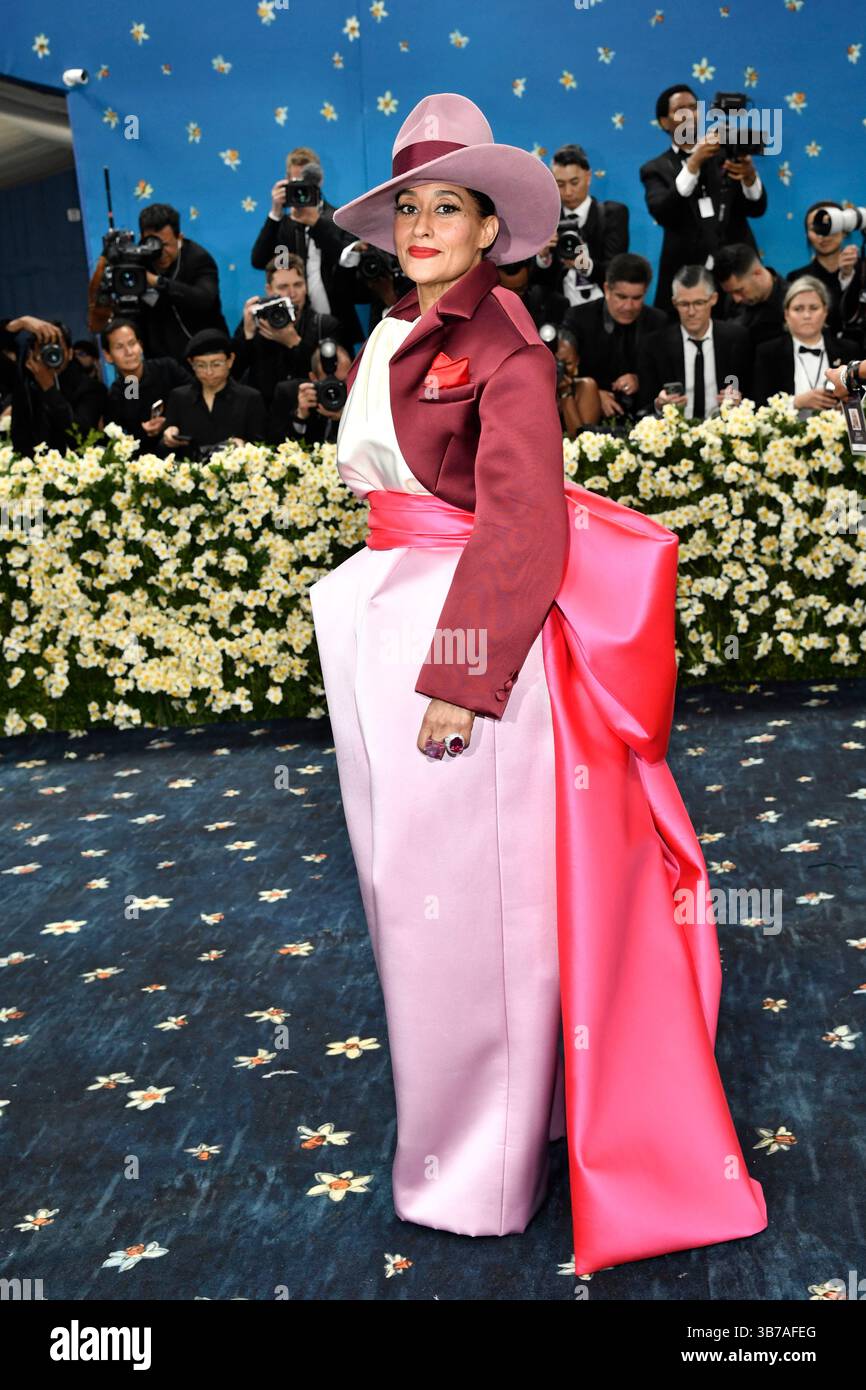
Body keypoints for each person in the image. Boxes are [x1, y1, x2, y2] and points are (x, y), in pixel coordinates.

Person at [308, 91, 767, 1272]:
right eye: (406, 203)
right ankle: (481, 1133)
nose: (419, 224)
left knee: (465, 924)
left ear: (486, 227)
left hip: (462, 646)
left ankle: (481, 1171)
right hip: (384, 616)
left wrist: (464, 675)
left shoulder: (502, 339)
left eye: (443, 206)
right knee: (404, 900)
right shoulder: (392, 331)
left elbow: (520, 521)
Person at [640, 85, 767, 317]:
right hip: (689, 280)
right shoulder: (655, 169)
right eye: (680, 109)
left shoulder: (727, 154)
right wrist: (693, 164)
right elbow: (663, 212)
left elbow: (757, 208)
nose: (689, 113)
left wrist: (749, 177)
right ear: (664, 122)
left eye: (693, 107)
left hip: (737, 278)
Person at [250, 147, 363, 353]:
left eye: (306, 182)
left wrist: (316, 223)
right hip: (292, 325)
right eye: (296, 182)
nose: (301, 188)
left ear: (318, 181)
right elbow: (259, 261)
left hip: (335, 324)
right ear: (286, 181)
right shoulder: (283, 225)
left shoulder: (339, 218)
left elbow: (350, 260)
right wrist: (276, 213)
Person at [563, 252, 667, 421]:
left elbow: (667, 374)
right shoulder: (578, 318)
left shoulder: (658, 322)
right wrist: (593, 395)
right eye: (622, 297)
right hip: (588, 422)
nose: (628, 306)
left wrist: (640, 379)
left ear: (646, 292)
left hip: (644, 423)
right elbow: (563, 376)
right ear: (606, 289)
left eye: (637, 298)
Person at [638, 264, 752, 417]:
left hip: (725, 433)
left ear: (713, 299)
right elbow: (643, 405)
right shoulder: (654, 345)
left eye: (699, 303)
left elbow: (754, 394)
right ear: (674, 303)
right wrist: (659, 405)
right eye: (684, 304)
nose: (691, 312)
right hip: (674, 434)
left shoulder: (738, 339)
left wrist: (739, 403)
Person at [231, 254, 340, 407]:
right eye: (283, 287)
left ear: (306, 286)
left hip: (310, 414)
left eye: (298, 285)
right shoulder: (256, 321)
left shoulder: (324, 325)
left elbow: (332, 378)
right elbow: (233, 373)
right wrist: (247, 335)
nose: (292, 293)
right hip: (264, 414)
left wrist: (294, 343)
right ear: (269, 290)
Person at [752, 276, 861, 415]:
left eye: (814, 308)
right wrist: (796, 402)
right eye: (798, 309)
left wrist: (848, 405)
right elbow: (757, 405)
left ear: (825, 311)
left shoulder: (849, 349)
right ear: (786, 314)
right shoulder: (767, 352)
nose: (807, 315)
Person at [532, 143, 629, 298]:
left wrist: (584, 266)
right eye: (560, 184)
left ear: (588, 177)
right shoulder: (546, 220)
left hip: (602, 308)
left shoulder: (613, 214)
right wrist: (543, 257)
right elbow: (535, 282)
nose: (568, 192)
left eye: (574, 182)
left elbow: (617, 272)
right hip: (560, 312)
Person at [162, 330, 267, 452]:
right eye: (201, 365)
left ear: (230, 360)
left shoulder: (250, 398)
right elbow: (163, 451)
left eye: (216, 364)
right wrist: (168, 439)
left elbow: (262, 447)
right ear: (191, 364)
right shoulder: (179, 397)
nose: (209, 372)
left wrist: (243, 445)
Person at [101, 318, 191, 449]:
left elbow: (195, 399)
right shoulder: (117, 394)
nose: (129, 352)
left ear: (141, 345)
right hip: (146, 460)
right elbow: (120, 442)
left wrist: (169, 422)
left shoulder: (167, 368)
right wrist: (144, 431)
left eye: (132, 343)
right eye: (119, 347)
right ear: (108, 355)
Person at [785, 201, 862, 344]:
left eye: (830, 226)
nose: (823, 235)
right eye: (815, 228)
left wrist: (848, 276)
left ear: (845, 228)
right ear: (807, 234)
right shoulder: (797, 279)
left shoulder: (862, 271)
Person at [269, 340, 352, 446]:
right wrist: (300, 416)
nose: (335, 390)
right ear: (313, 378)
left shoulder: (360, 399)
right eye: (329, 383)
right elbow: (276, 448)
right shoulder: (290, 393)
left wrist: (345, 418)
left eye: (343, 381)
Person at [715, 243, 787, 348]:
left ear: (757, 273)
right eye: (730, 293)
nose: (736, 299)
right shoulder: (731, 301)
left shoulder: (793, 302)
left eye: (739, 290)